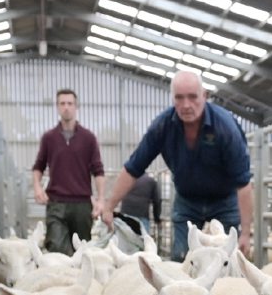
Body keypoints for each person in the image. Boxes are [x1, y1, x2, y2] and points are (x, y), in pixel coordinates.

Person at [101, 69, 253, 261]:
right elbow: (133, 168)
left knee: (228, 260)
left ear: (204, 96)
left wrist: (245, 233)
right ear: (172, 98)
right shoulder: (163, 126)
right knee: (183, 259)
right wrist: (109, 206)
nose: (186, 105)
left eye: (192, 97)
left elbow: (243, 183)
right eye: (179, 98)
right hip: (187, 201)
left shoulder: (225, 127)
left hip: (224, 201)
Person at [31, 88, 105, 255]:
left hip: (82, 205)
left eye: (70, 103)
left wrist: (101, 200)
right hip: (56, 202)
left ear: (76, 107)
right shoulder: (49, 138)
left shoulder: (88, 138)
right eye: (62, 103)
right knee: (57, 248)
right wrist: (37, 187)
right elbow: (38, 166)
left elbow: (98, 170)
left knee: (81, 252)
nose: (66, 107)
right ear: (57, 107)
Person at [116, 172, 162, 243]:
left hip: (126, 215)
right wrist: (157, 218)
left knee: (125, 242)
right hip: (142, 216)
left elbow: (117, 194)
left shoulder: (126, 179)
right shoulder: (151, 181)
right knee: (143, 242)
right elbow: (157, 201)